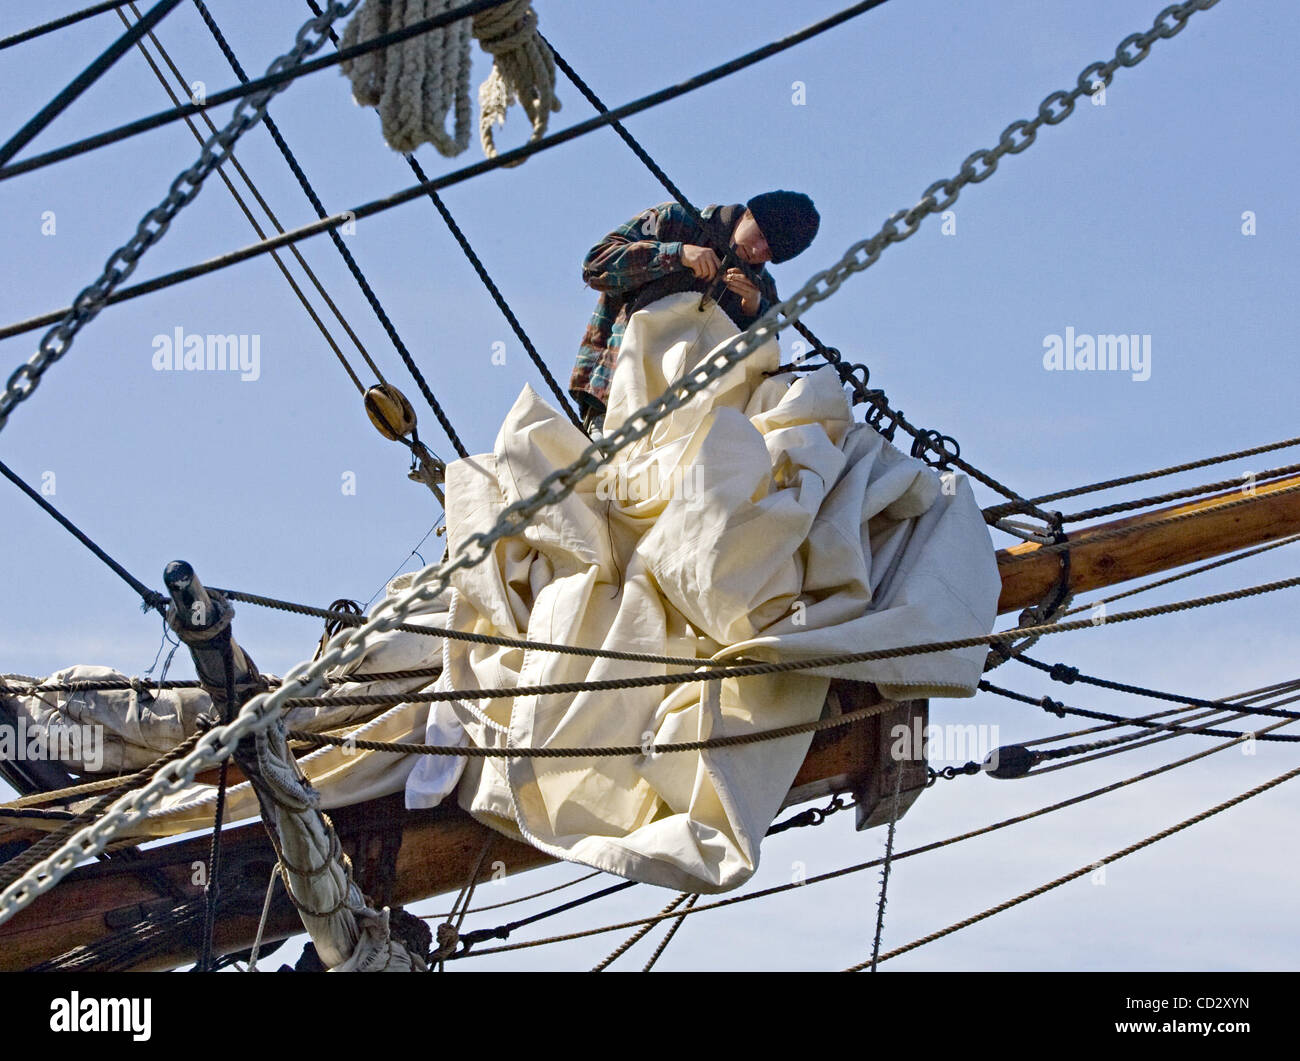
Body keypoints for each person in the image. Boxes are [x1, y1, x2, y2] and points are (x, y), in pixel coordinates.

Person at [569, 191, 820, 429]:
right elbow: (595, 264)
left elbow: (760, 370)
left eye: (770, 253)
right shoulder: (675, 221)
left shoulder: (763, 290)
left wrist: (751, 310)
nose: (757, 251)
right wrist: (677, 254)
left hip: (683, 426)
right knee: (604, 469)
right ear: (748, 214)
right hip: (613, 393)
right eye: (762, 236)